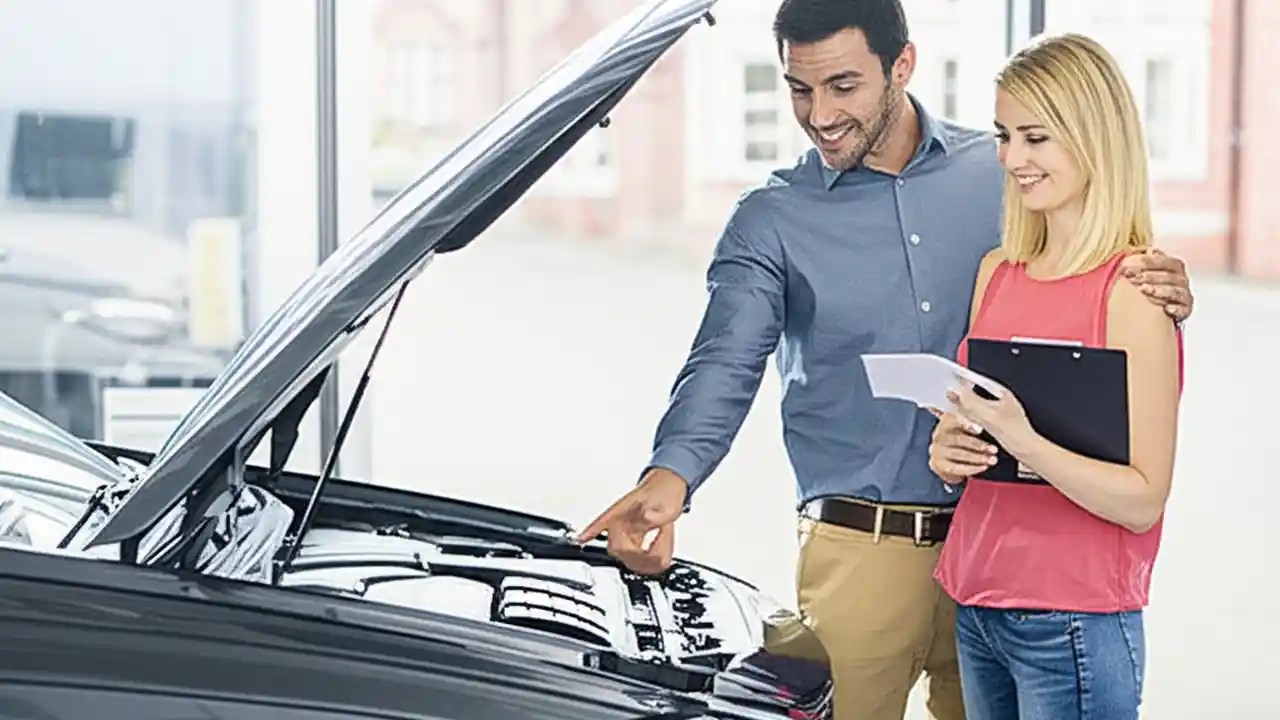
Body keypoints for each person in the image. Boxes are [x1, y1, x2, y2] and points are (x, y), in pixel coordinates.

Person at [575, 1, 1193, 718]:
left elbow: (1085, 280)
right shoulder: (772, 219)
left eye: (843, 86)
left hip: (1003, 555)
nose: (818, 114)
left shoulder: (1004, 175)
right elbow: (724, 359)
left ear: (902, 66)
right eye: (799, 89)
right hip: (861, 553)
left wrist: (1159, 287)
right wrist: (669, 476)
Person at [928, 33, 1181, 720]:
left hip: (1073, 621)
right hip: (977, 605)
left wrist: (1025, 439)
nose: (1011, 159)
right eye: (1005, 136)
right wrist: (951, 452)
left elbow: (1141, 499)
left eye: (1035, 138)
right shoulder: (996, 274)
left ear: (1093, 137)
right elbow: (977, 434)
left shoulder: (1132, 293)